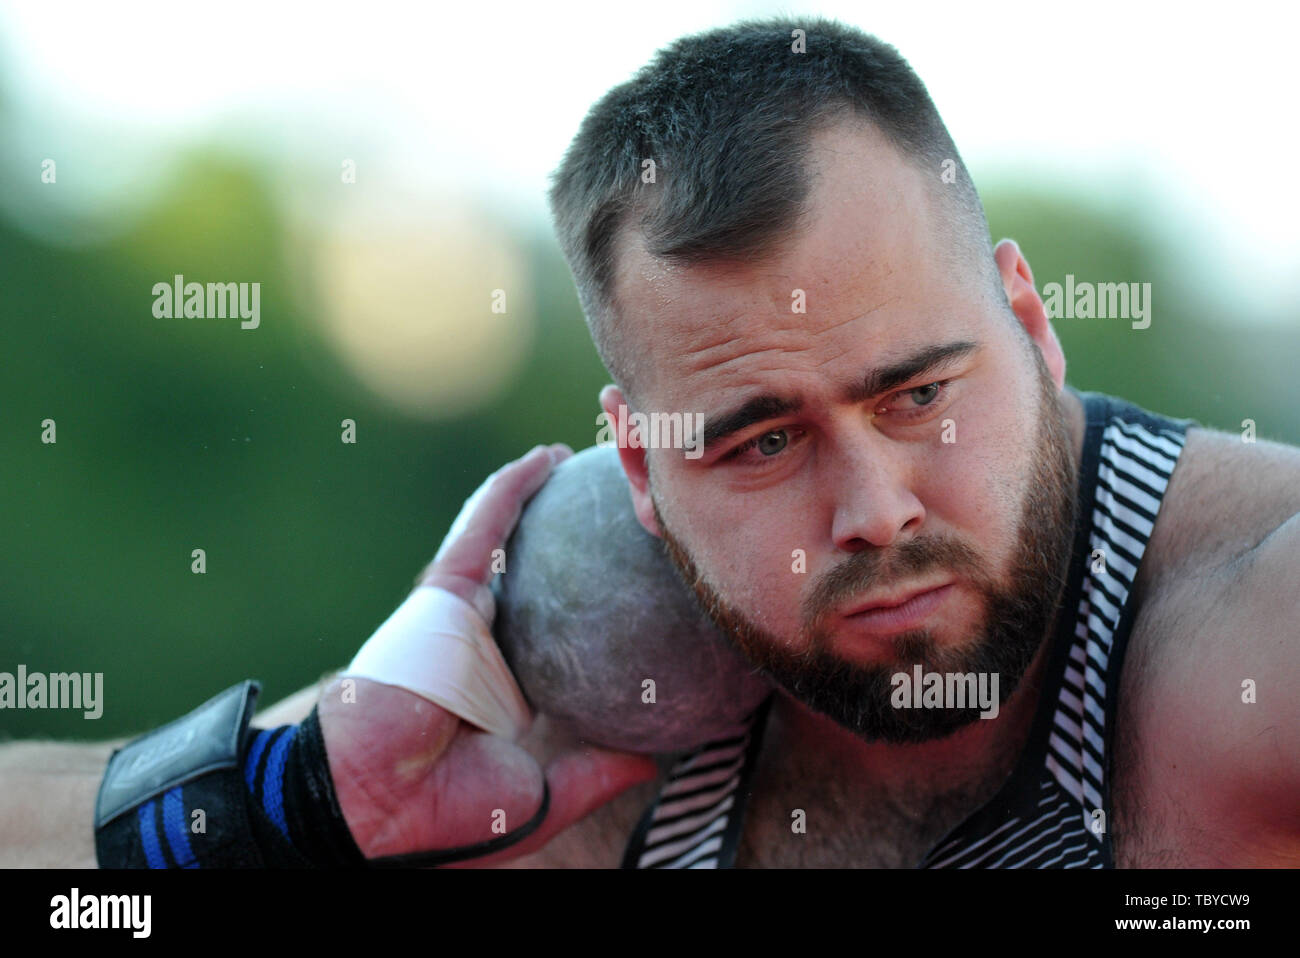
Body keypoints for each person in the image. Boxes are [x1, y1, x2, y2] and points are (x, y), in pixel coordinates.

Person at [4, 17, 1297, 869]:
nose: (876, 509)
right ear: (641, 472)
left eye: (917, 395)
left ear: (1029, 320)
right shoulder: (582, 693)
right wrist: (282, 803)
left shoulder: (1250, 625)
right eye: (762, 445)